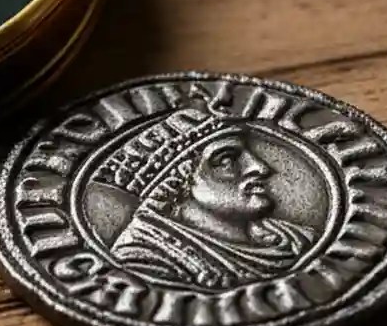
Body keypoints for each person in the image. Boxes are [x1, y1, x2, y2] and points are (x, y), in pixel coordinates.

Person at [93, 107, 314, 290]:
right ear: (178, 179)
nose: (260, 168)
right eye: (227, 160)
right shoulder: (143, 261)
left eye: (249, 155)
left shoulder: (296, 238)